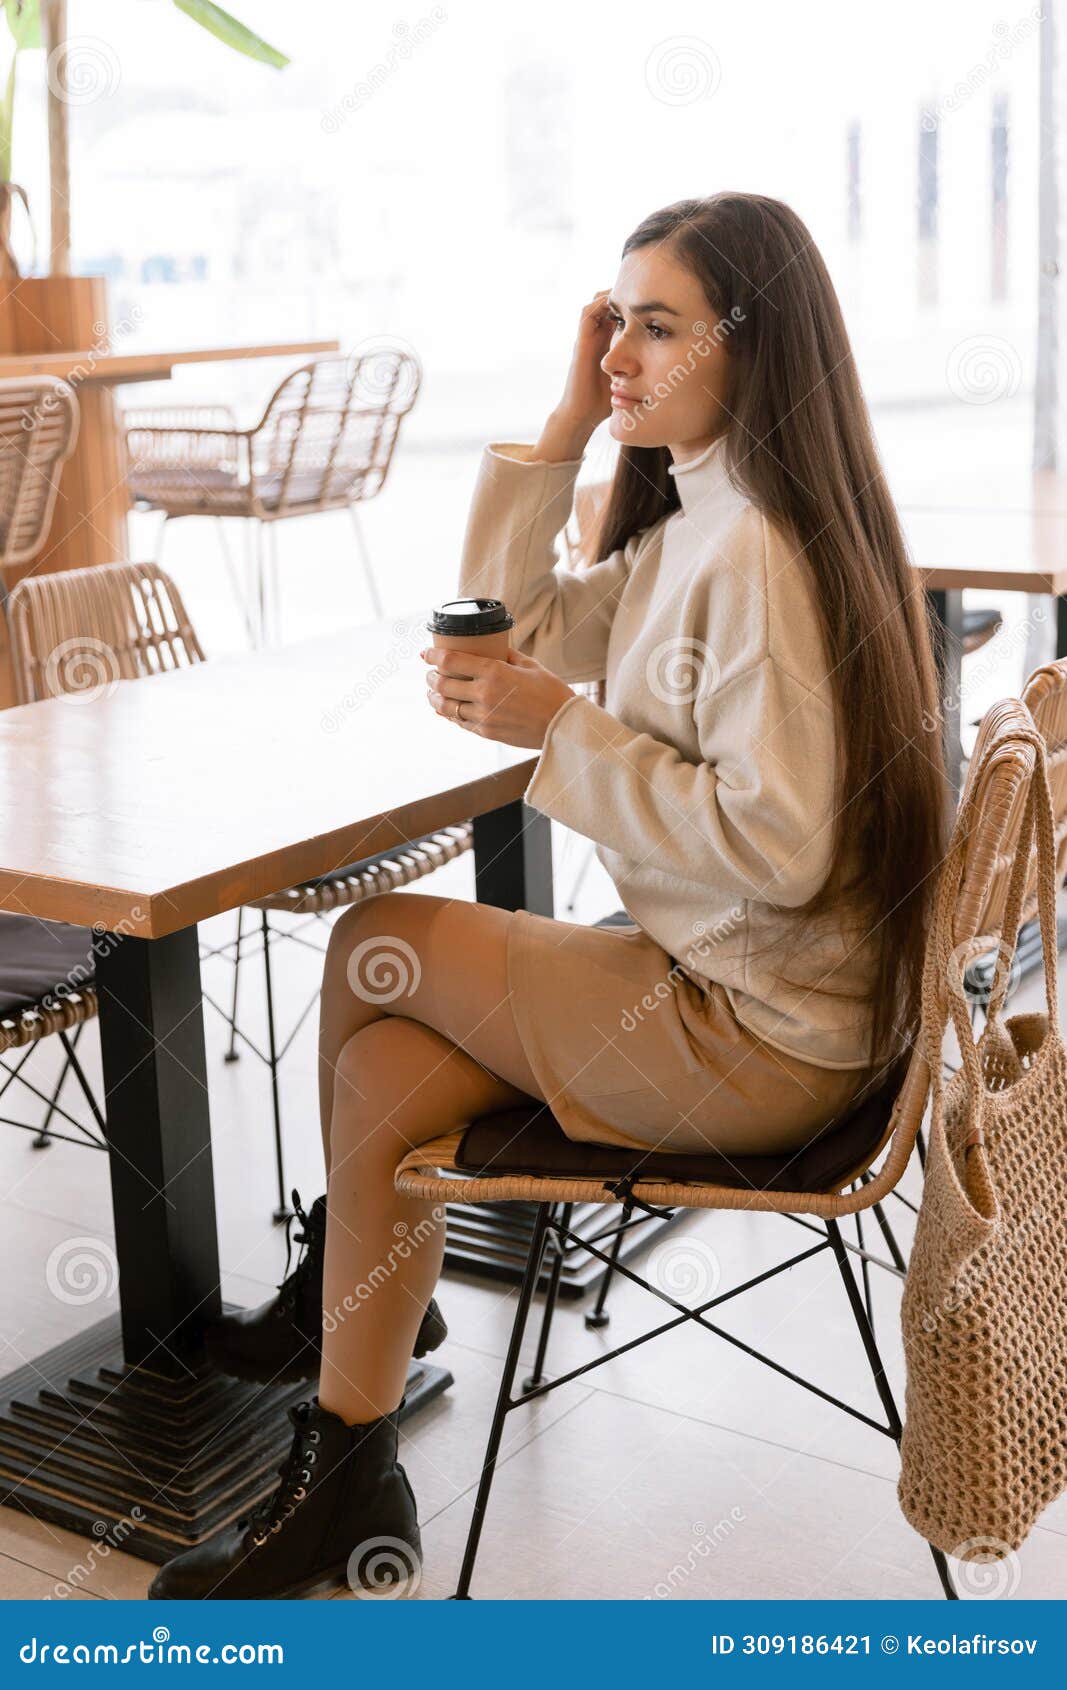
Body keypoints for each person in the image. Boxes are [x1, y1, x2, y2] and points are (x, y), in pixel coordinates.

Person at [148, 191, 948, 1600]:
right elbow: (498, 619)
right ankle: (346, 1437)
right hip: (768, 1010)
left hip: (759, 1044)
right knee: (388, 1064)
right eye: (611, 320)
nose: (622, 351)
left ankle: (337, 1354)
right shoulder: (707, 517)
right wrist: (569, 425)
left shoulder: (753, 550)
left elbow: (783, 849)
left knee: (378, 940)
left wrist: (554, 730)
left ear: (753, 351)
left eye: (657, 326)